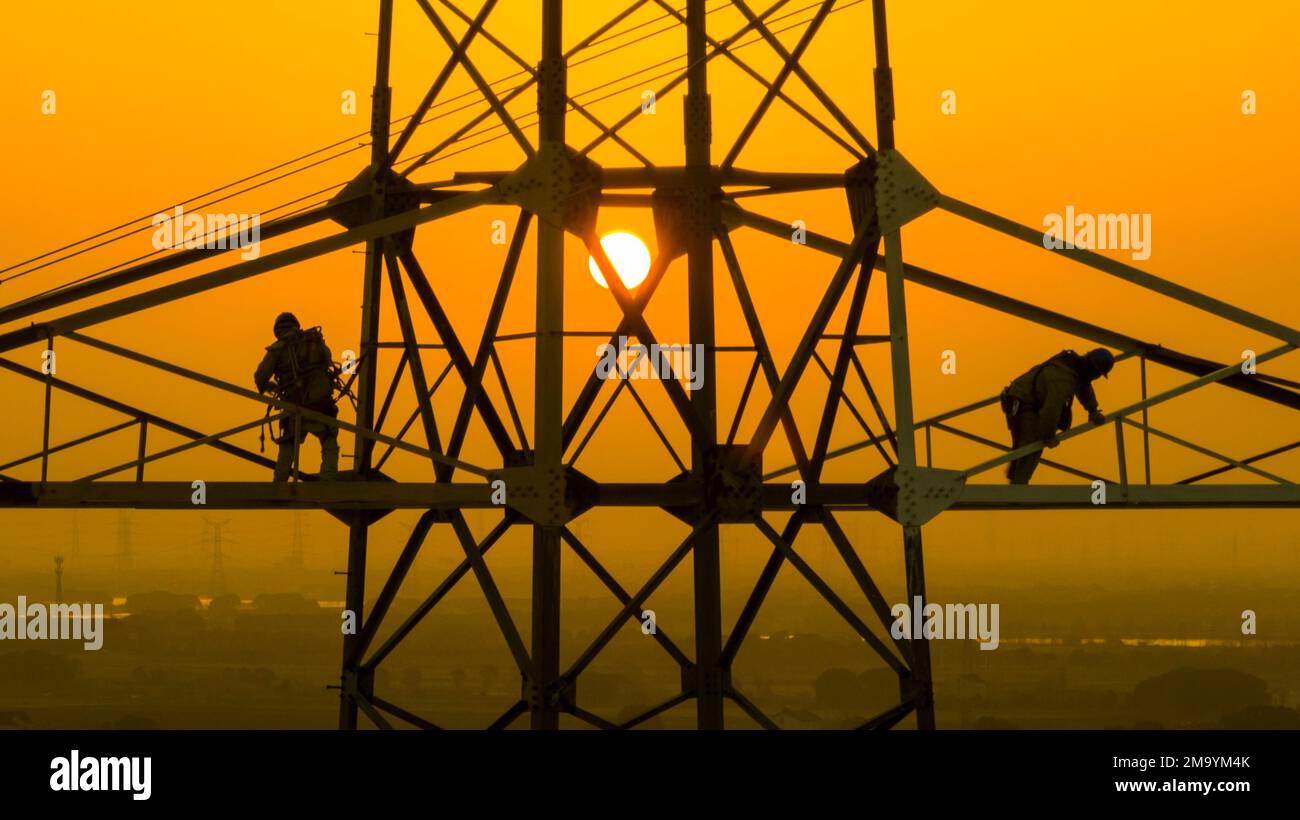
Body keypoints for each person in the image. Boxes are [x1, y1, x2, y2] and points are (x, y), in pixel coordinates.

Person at [1001, 348, 1114, 484]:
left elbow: (1084, 387)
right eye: (1098, 374)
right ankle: (1018, 485)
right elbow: (1051, 409)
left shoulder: (1075, 369)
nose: (1097, 377)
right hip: (1022, 401)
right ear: (1092, 368)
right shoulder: (1063, 377)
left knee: (1031, 444)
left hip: (1029, 400)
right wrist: (1049, 435)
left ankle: (1018, 483)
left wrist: (1093, 410)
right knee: (1031, 443)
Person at [254, 312, 340, 481]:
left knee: (288, 445)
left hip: (295, 406)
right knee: (329, 441)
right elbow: (328, 359)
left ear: (277, 331)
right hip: (321, 404)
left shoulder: (279, 348)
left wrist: (269, 387)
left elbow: (260, 377)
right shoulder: (313, 341)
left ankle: (280, 483)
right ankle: (328, 480)